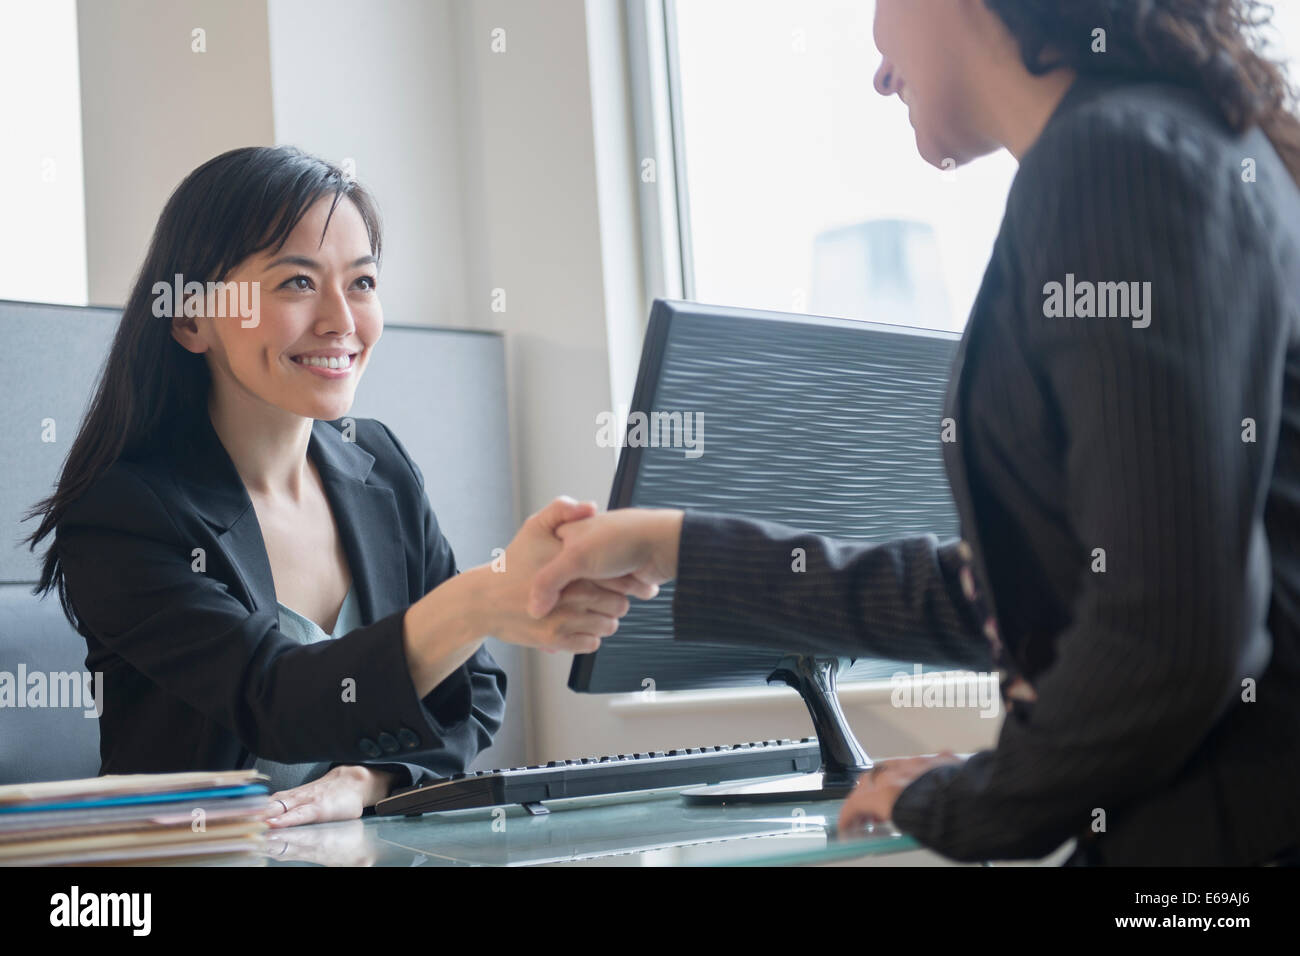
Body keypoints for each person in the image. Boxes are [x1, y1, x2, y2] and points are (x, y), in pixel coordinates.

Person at [526, 0, 1300, 866]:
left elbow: (1171, 634)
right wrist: (676, 548)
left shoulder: (1113, 164)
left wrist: (963, 802)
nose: (879, 66)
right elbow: (1009, 589)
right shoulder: (1154, 146)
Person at [22, 146, 649, 828]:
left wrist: (373, 779)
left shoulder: (375, 463)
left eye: (362, 282)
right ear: (190, 319)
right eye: (296, 283)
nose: (341, 321)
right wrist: (480, 601)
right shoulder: (123, 514)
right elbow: (275, 703)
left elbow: (470, 691)